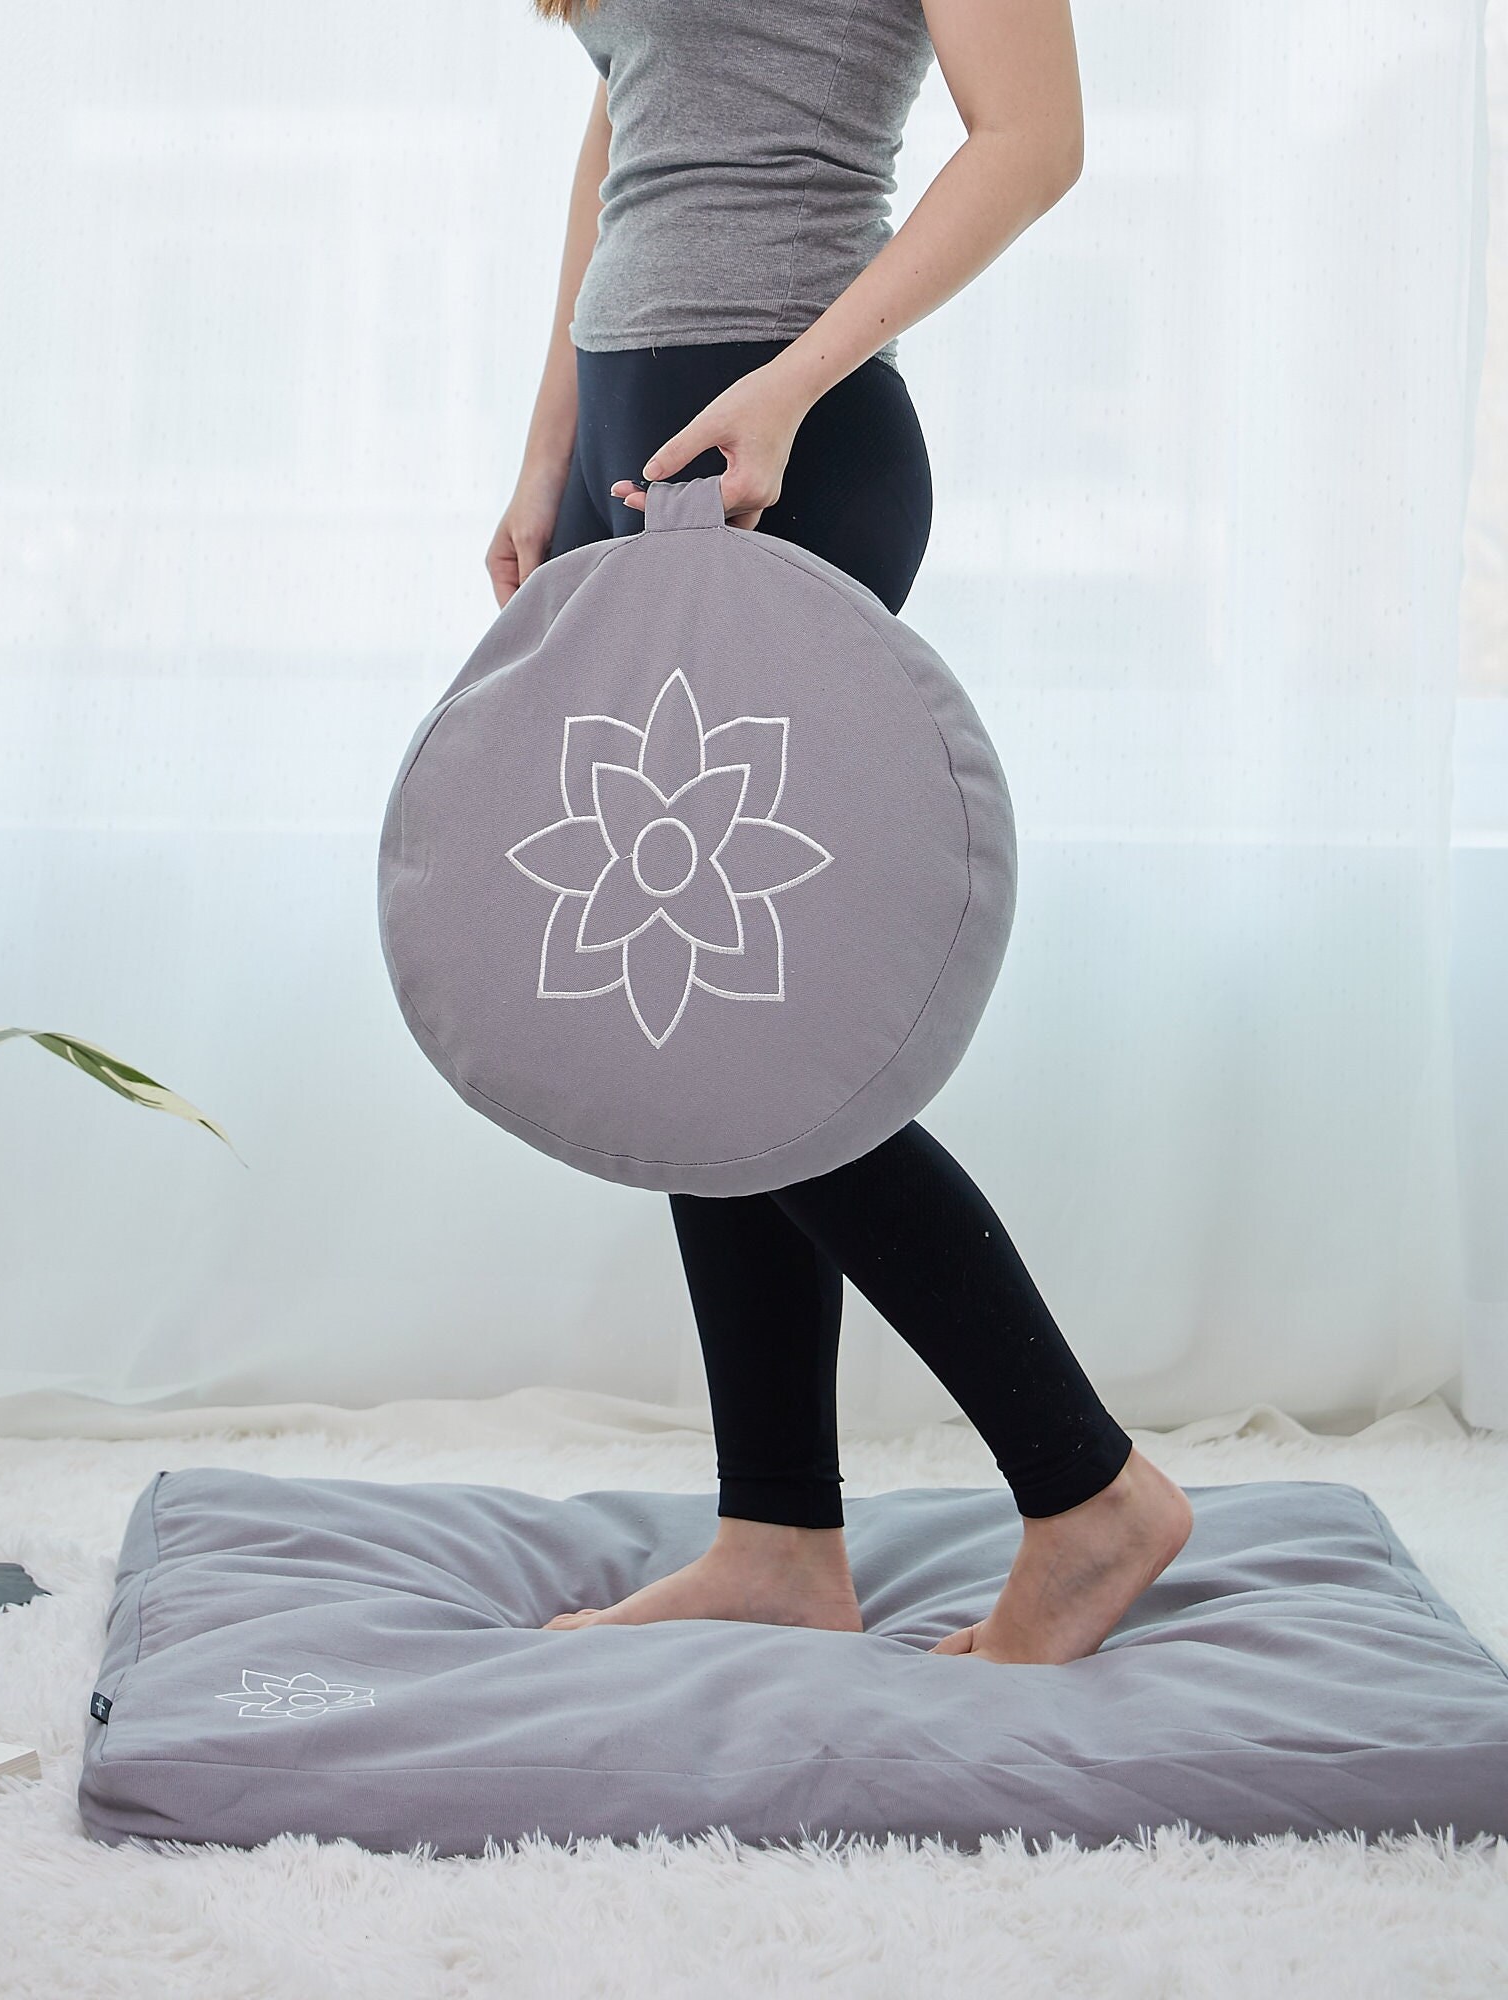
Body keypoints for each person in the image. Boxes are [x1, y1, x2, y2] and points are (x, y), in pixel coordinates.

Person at [492, 0, 1192, 1664]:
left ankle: (1089, 1495)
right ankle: (778, 1538)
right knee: (688, 1015)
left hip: (781, 452)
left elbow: (1035, 139)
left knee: (750, 1031)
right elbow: (626, 133)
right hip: (633, 444)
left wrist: (796, 382)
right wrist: (543, 452)